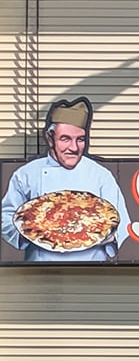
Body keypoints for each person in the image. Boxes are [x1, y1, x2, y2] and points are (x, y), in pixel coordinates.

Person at [1, 97, 129, 262]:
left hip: (92, 269)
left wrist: (105, 235)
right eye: (65, 139)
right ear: (50, 138)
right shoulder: (26, 174)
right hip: (41, 270)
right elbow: (6, 216)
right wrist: (28, 232)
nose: (74, 148)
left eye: (80, 139)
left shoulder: (100, 175)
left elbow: (122, 220)